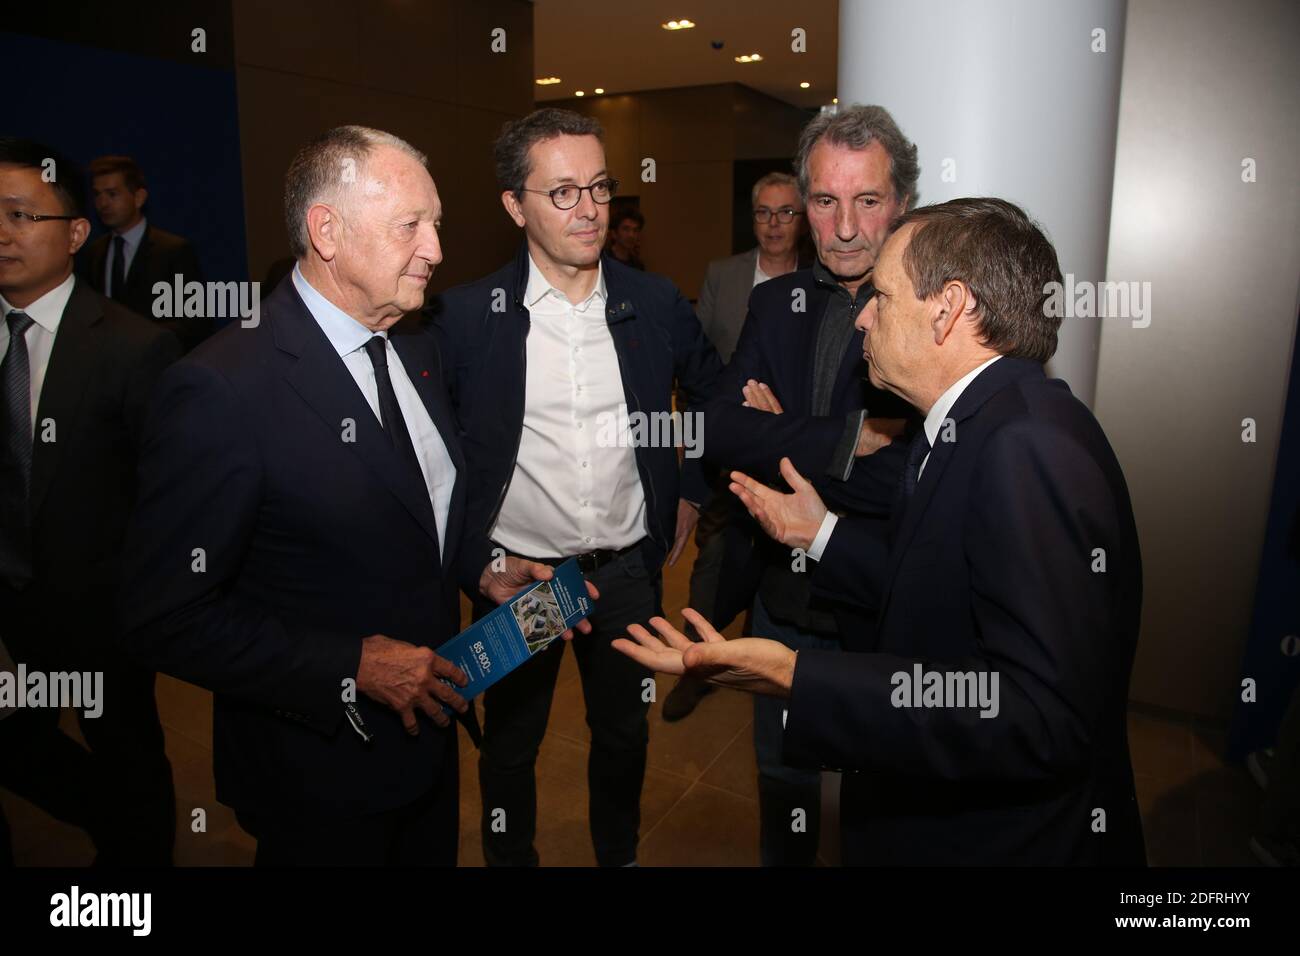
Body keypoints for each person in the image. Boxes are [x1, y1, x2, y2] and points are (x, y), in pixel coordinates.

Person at [617, 197, 1148, 866]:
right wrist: (822, 536)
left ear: (948, 308)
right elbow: (940, 597)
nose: (863, 315)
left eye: (883, 297)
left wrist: (798, 676)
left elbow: (1039, 718)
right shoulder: (979, 423)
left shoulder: (1028, 446)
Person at [117, 126, 588, 866]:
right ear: (326, 231)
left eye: (436, 224)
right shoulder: (222, 387)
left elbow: (423, 505)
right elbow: (163, 615)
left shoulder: (418, 343)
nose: (436, 249)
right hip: (317, 773)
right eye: (412, 226)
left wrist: (483, 567)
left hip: (427, 744)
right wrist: (349, 664)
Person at [432, 107, 722, 867]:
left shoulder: (654, 301)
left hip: (627, 571)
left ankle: (617, 854)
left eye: (599, 186)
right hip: (525, 581)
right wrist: (478, 562)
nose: (590, 209)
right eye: (561, 192)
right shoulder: (466, 318)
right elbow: (437, 460)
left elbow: (714, 395)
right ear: (513, 204)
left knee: (624, 735)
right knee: (511, 744)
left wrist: (691, 487)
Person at [683, 106, 919, 865]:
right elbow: (718, 431)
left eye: (868, 201)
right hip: (782, 604)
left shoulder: (928, 315)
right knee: (784, 791)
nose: (845, 226)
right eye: (825, 201)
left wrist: (778, 435)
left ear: (903, 205)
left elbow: (911, 476)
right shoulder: (773, 304)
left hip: (878, 610)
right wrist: (850, 438)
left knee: (880, 806)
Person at [0, 138, 180, 865]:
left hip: (102, 616)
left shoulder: (133, 348)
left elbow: (166, 499)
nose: (2, 233)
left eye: (20, 215)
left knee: (129, 752)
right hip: (6, 615)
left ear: (76, 233)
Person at [663, 171, 807, 722]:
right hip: (725, 449)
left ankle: (758, 660)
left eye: (785, 212)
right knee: (714, 556)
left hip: (791, 451)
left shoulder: (820, 281)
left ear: (802, 219)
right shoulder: (723, 276)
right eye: (763, 213)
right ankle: (696, 665)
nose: (773, 224)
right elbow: (697, 365)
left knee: (780, 559)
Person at [82, 156, 210, 351]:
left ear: (139, 197)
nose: (103, 203)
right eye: (98, 195)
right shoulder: (94, 253)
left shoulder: (174, 251)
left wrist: (143, 340)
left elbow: (196, 321)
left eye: (112, 194)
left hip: (157, 366)